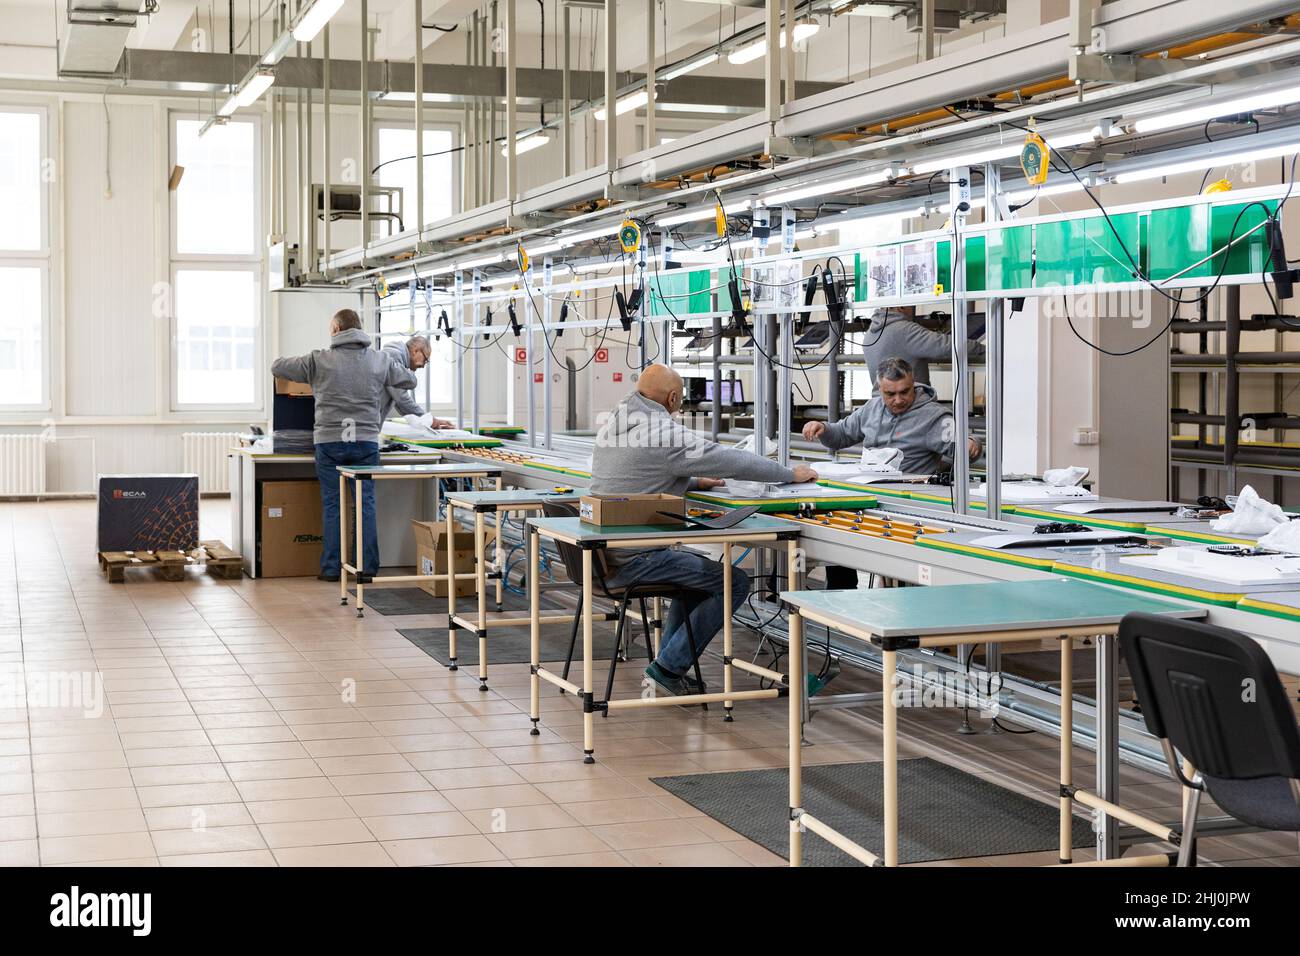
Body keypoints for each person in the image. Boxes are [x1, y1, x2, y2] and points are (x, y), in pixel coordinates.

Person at [590, 363, 819, 696]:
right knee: (732, 582)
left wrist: (692, 480)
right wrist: (787, 474)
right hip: (636, 560)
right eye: (680, 399)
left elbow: (644, 470)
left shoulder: (615, 422)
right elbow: (730, 460)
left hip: (605, 558)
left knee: (700, 579)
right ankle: (668, 667)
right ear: (671, 398)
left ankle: (667, 666)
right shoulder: (664, 432)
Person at [271, 309, 417, 583]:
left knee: (332, 504)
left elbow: (277, 366)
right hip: (365, 442)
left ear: (336, 330)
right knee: (366, 504)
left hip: (329, 442)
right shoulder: (379, 359)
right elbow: (409, 380)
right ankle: (367, 567)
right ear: (359, 330)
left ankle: (330, 569)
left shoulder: (318, 360)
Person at [802, 356, 980, 474]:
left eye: (905, 392)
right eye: (890, 394)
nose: (898, 400)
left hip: (911, 496)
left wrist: (972, 445)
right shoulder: (871, 408)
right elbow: (841, 435)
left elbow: (965, 445)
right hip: (869, 490)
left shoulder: (933, 417)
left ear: (913, 383)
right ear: (880, 389)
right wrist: (823, 429)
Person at [862, 307, 984, 389]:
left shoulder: (869, 334)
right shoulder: (905, 330)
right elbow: (944, 345)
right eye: (912, 307)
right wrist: (981, 348)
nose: (913, 313)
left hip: (881, 404)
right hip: (909, 408)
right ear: (901, 307)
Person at [379, 335, 453, 430]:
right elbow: (402, 398)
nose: (423, 365)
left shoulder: (395, 358)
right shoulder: (393, 356)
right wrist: (430, 420)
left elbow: (399, 401)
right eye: (425, 359)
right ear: (415, 351)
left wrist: (426, 420)